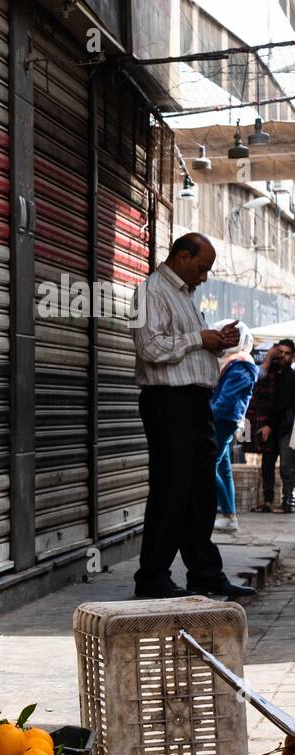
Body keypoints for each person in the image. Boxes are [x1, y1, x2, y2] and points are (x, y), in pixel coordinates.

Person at [130, 232, 253, 599]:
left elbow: (184, 348)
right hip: (169, 404)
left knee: (199, 493)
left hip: (195, 403)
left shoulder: (185, 295)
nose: (204, 277)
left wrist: (216, 341)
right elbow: (149, 347)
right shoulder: (150, 292)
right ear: (182, 257)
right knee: (171, 490)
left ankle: (205, 574)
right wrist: (201, 339)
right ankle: (152, 576)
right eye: (201, 268)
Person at [210, 320, 258, 533]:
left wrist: (207, 414)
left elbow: (226, 401)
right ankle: (229, 516)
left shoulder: (239, 365)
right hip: (227, 419)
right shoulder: (237, 364)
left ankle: (229, 515)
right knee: (223, 467)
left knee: (206, 465)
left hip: (224, 420)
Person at [248, 338, 295, 513]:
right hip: (268, 424)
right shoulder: (271, 373)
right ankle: (268, 501)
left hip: (286, 427)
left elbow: (281, 404)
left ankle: (288, 501)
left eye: (287, 353)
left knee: (286, 465)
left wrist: (269, 425)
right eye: (280, 352)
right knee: (267, 464)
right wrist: (268, 358)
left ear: (293, 357)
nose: (283, 356)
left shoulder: (291, 377)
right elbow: (258, 380)